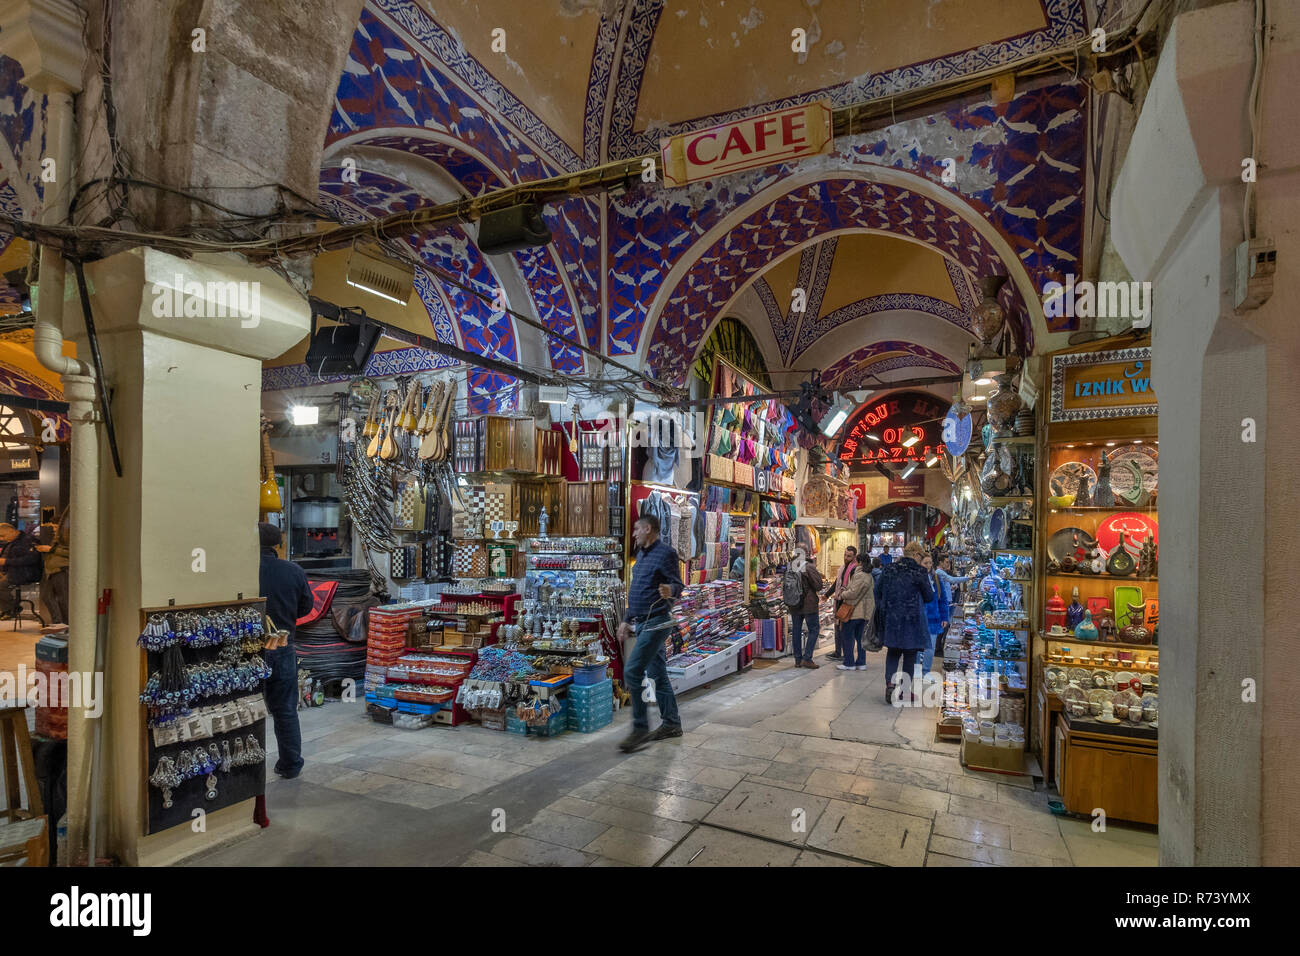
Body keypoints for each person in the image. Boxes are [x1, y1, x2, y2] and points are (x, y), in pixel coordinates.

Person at [618, 514, 685, 753]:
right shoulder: (642, 554)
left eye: (637, 529)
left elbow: (678, 585)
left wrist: (671, 589)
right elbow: (637, 591)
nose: (634, 534)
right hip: (642, 622)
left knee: (633, 670)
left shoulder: (666, 553)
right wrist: (626, 620)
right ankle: (672, 724)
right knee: (657, 673)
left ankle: (640, 729)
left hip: (657, 621)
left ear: (648, 529)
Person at [258, 522, 314, 779]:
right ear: (278, 544)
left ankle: (248, 770)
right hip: (282, 646)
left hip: (249, 650)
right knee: (285, 709)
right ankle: (290, 763)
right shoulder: (293, 571)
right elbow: (305, 607)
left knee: (247, 708)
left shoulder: (243, 571)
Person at [874, 541, 935, 704]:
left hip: (891, 619)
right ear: (916, 555)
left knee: (893, 653)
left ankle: (890, 684)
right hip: (912, 620)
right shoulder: (919, 571)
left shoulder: (888, 569)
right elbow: (929, 596)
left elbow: (877, 591)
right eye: (920, 556)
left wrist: (886, 606)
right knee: (910, 654)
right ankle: (904, 691)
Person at [836, 552, 876, 671]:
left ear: (859, 562)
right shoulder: (869, 575)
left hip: (855, 611)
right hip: (864, 612)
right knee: (860, 638)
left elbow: (853, 593)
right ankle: (861, 662)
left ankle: (849, 663)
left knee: (847, 636)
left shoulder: (860, 575)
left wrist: (842, 594)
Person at [789, 550, 824, 669]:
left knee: (796, 631)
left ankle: (798, 660)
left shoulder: (791, 567)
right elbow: (818, 586)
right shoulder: (808, 567)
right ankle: (807, 658)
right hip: (808, 604)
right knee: (814, 629)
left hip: (794, 603)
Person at [0, 522, 43, 618]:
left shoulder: (27, 541)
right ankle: (7, 608)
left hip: (24, 573)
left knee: (0, 587)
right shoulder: (11, 542)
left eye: (3, 535)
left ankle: (11, 608)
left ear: (11, 531)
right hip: (11, 571)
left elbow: (32, 559)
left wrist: (6, 561)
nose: (2, 539)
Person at [919, 552, 949, 683]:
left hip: (933, 618)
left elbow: (943, 599)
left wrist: (944, 617)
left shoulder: (936, 578)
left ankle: (925, 671)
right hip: (918, 619)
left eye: (930, 563)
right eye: (926, 563)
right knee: (917, 649)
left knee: (930, 648)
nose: (928, 566)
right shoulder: (916, 578)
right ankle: (915, 670)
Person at [824, 545, 858, 661]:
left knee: (846, 630)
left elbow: (853, 588)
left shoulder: (854, 569)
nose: (846, 557)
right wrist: (826, 595)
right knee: (837, 627)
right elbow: (836, 584)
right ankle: (838, 652)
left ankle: (846, 654)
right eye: (845, 555)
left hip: (848, 602)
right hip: (839, 601)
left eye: (849, 556)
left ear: (854, 557)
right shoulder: (843, 568)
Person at [36, 510, 69, 625]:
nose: (54, 530)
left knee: (64, 598)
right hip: (51, 570)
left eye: (56, 527)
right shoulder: (59, 537)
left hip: (61, 569)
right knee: (46, 596)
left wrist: (50, 549)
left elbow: (72, 553)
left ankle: (65, 624)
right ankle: (57, 622)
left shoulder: (67, 536)